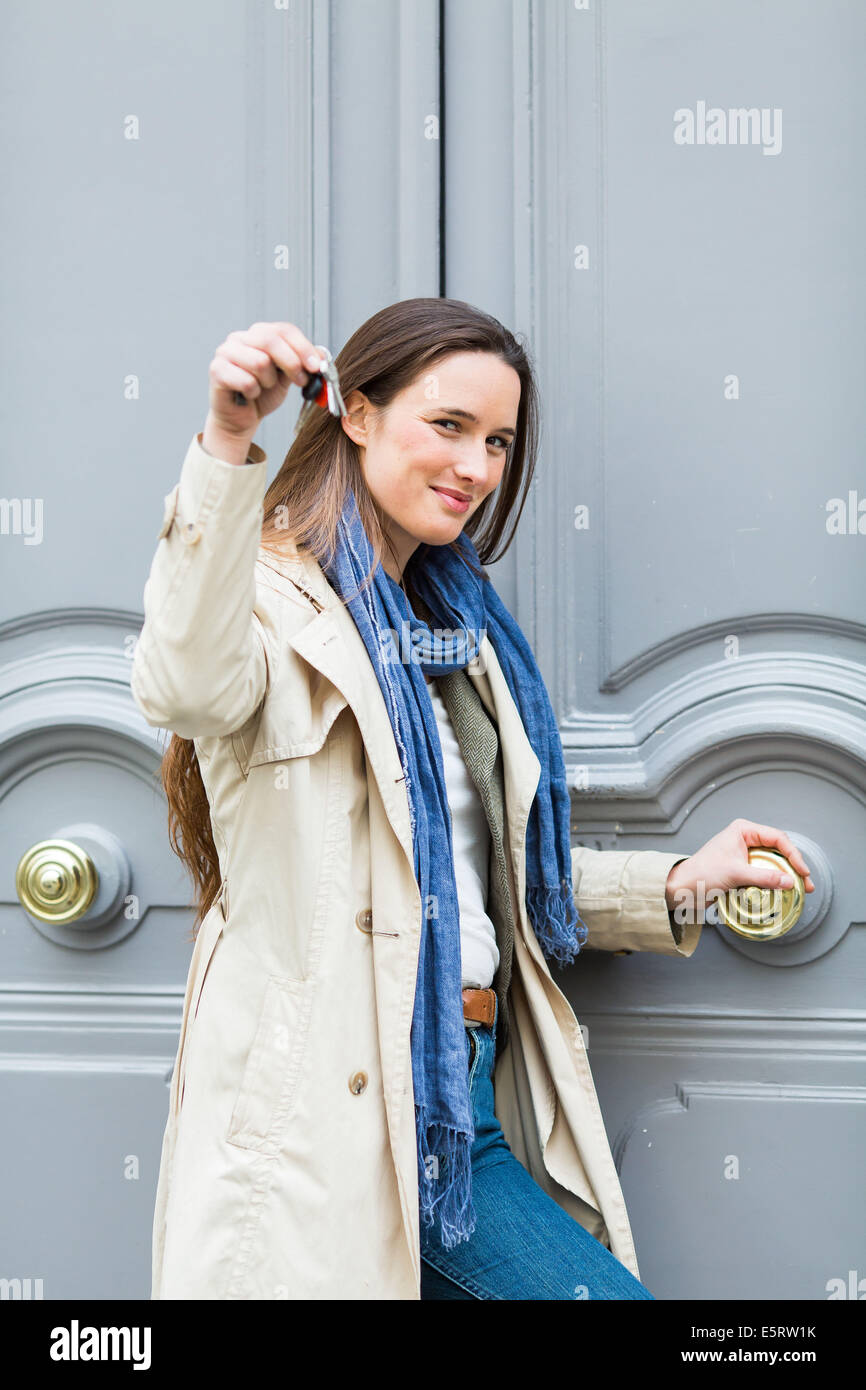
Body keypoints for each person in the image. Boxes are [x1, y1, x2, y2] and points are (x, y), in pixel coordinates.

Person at [131, 297, 814, 1300]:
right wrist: (229, 440)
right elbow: (183, 684)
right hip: (343, 1108)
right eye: (446, 426)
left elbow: (479, 872)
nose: (476, 468)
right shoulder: (269, 605)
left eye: (496, 441)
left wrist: (676, 880)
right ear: (353, 414)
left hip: (461, 1093)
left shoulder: (458, 630)